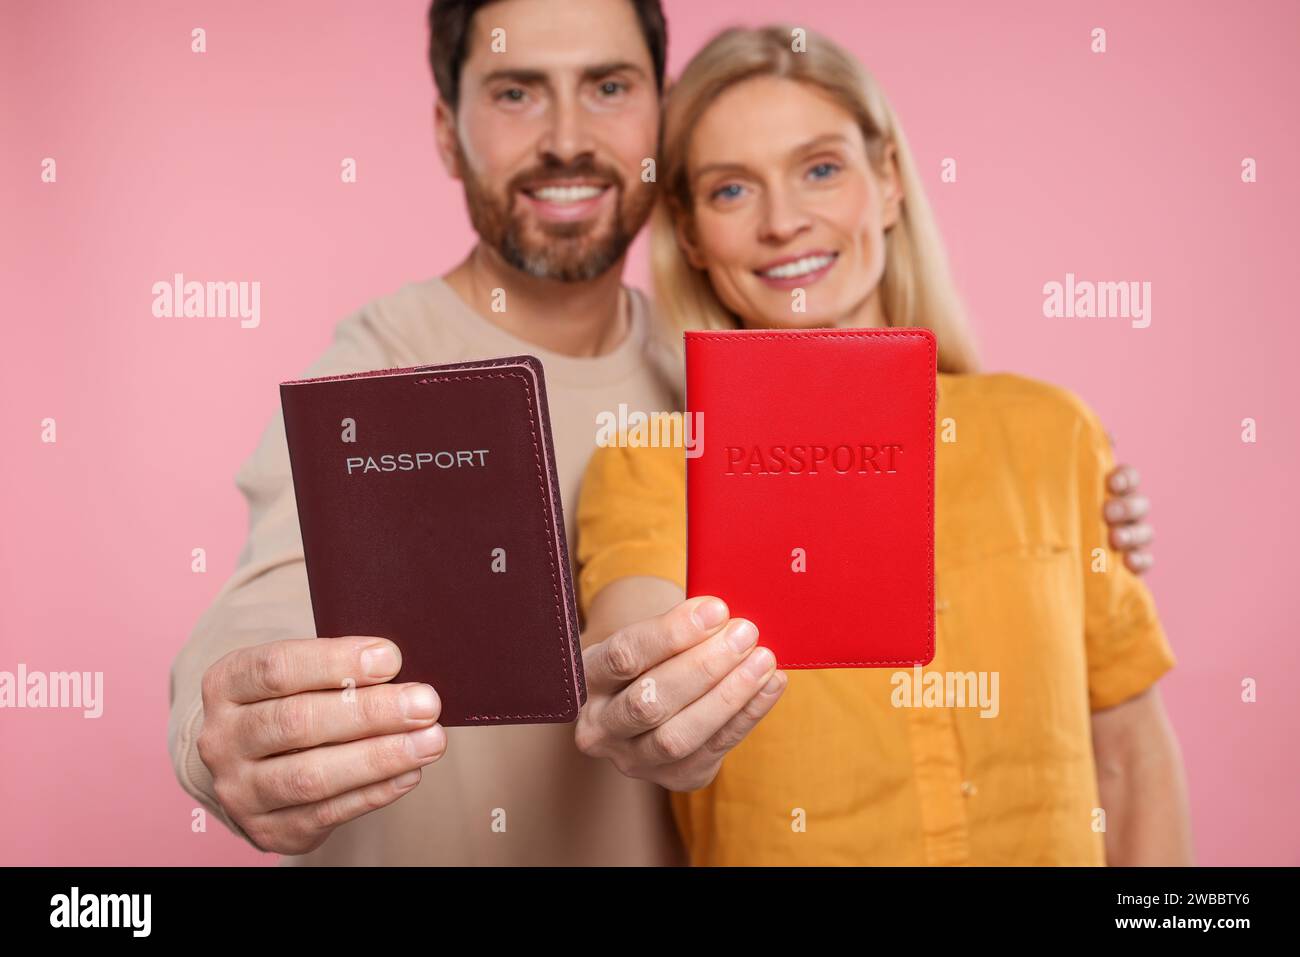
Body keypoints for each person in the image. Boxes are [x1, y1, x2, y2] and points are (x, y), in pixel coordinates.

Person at [168, 0, 1158, 865]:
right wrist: (223, 725)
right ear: (445, 129)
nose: (565, 136)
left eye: (607, 86)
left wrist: (1080, 502)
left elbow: (1117, 726)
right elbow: (271, 593)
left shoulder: (709, 390)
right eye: (516, 92)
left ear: (656, 113)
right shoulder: (382, 368)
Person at [573, 25, 1192, 864]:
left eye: (820, 169)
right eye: (729, 191)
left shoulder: (1052, 432)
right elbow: (632, 636)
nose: (784, 222)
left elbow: (1128, 754)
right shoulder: (651, 462)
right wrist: (646, 696)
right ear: (689, 236)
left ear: (890, 183)